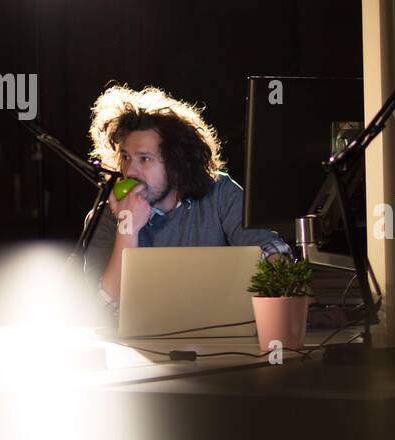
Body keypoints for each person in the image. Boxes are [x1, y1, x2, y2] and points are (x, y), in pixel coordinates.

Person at [81, 83, 290, 313]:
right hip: (132, 346)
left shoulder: (220, 193)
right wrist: (127, 230)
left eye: (145, 159)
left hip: (222, 339)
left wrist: (280, 286)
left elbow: (272, 249)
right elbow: (100, 306)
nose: (130, 171)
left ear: (176, 163)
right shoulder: (109, 211)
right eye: (126, 157)